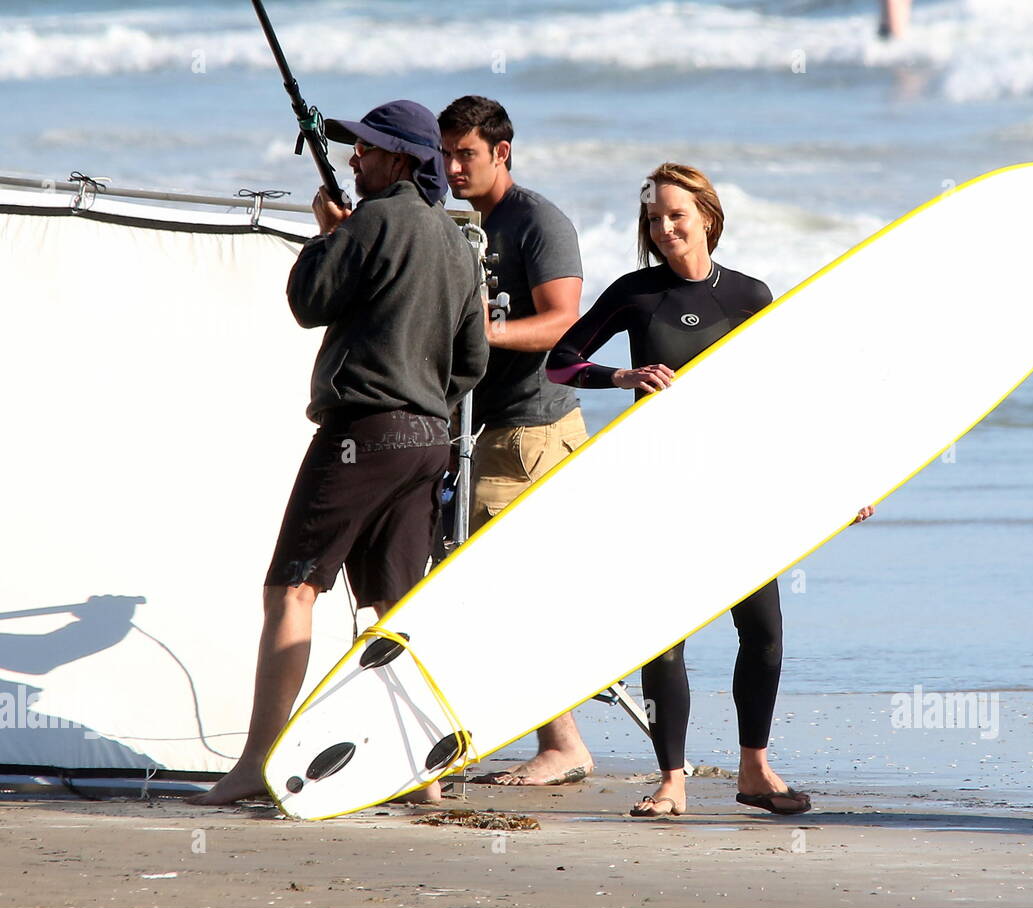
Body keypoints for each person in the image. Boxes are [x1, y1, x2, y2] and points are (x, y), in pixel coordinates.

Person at [546, 163, 874, 817]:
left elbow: (791, 400)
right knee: (666, 634)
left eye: (677, 215)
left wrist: (838, 481)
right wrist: (621, 377)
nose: (665, 228)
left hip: (739, 487)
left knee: (763, 632)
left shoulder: (751, 295)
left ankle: (755, 770)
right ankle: (671, 781)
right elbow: (560, 360)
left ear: (707, 217)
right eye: (655, 218)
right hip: (661, 487)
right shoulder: (635, 294)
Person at [191, 100, 488, 806]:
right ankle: (422, 779)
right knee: (390, 610)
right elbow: (472, 360)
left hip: (362, 433)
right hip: (426, 440)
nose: (355, 157)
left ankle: (256, 764)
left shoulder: (377, 220)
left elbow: (308, 300)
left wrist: (328, 237)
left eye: (369, 148)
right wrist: (420, 393)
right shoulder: (455, 241)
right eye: (354, 146)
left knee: (293, 587)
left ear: (404, 159)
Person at [438, 95, 596, 787]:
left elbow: (563, 322)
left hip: (532, 430)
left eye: (465, 154)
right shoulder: (460, 223)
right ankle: (489, 731)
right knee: (471, 586)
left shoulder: (538, 220)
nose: (451, 168)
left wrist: (485, 334)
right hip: (472, 430)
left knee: (508, 589)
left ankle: (563, 744)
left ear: (502, 151)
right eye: (444, 153)